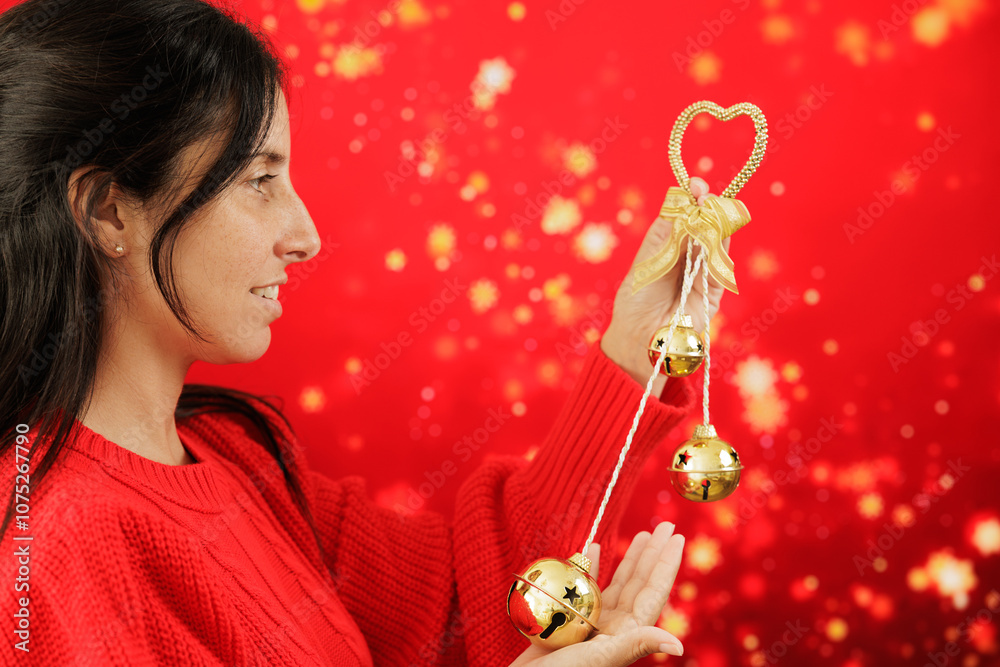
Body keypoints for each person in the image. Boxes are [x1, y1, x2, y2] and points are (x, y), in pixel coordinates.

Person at [0, 1, 729, 664]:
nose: (306, 236)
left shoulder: (240, 456)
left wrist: (637, 347)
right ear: (108, 212)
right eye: (259, 180)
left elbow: (461, 605)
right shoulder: (46, 550)